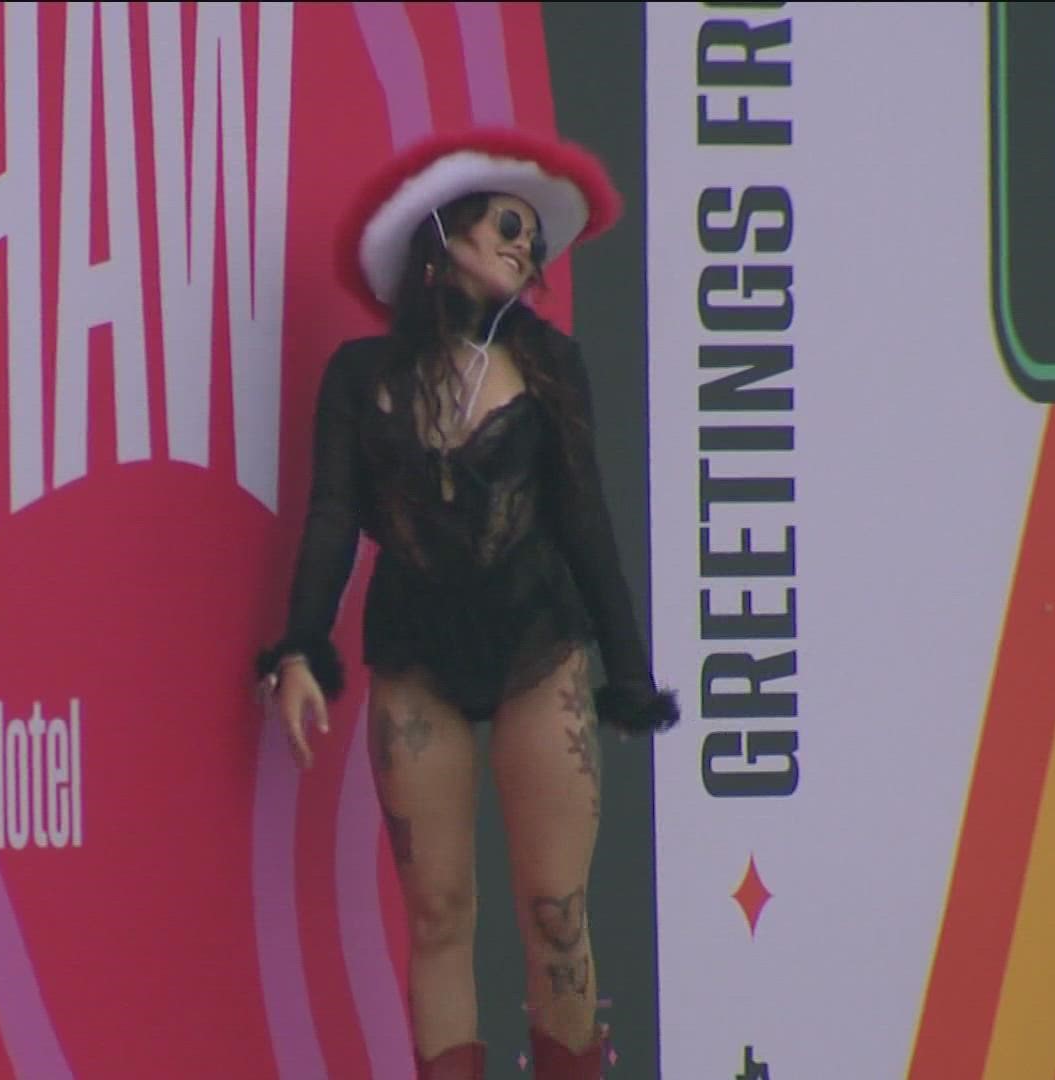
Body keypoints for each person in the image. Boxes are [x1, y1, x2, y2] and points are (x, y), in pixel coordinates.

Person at [254, 129, 679, 1080]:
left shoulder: (550, 364)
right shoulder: (360, 377)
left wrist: (629, 672)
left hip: (539, 643)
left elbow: (585, 519)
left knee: (555, 908)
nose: (526, 249)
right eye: (508, 227)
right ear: (445, 234)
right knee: (438, 913)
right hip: (416, 654)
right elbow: (331, 518)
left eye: (536, 239)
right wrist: (298, 649)